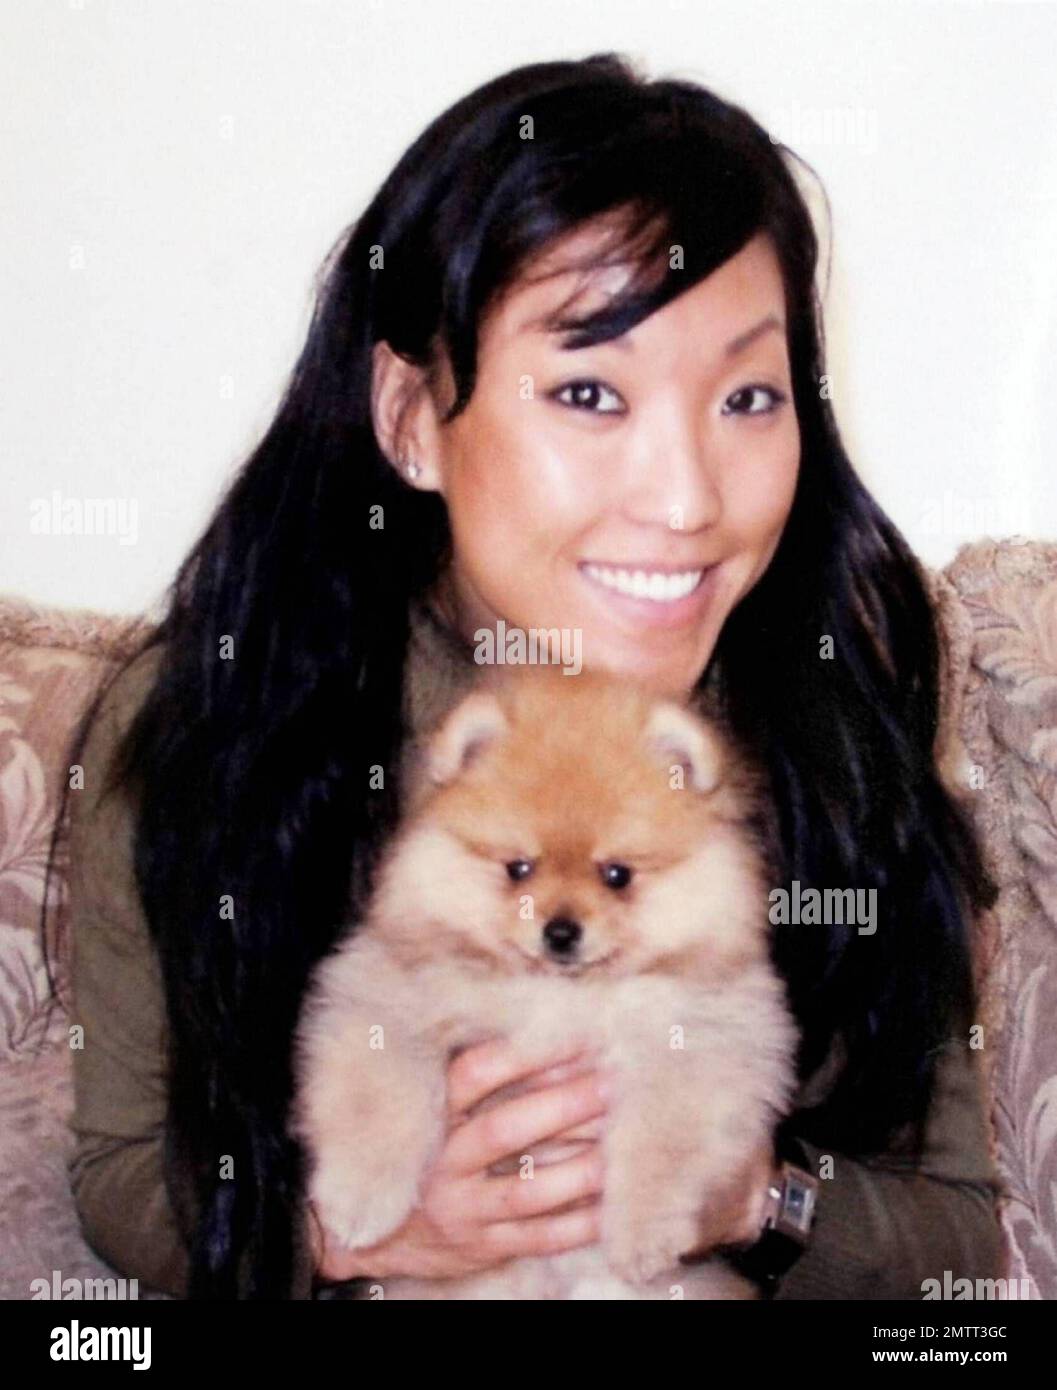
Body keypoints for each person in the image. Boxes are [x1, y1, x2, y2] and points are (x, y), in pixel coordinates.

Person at [51, 51, 1005, 1300]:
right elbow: (121, 1173)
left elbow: (960, 1236)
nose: (685, 498)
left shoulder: (830, 715)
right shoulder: (216, 715)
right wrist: (348, 1232)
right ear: (409, 417)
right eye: (590, 392)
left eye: (748, 395)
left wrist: (751, 1197)